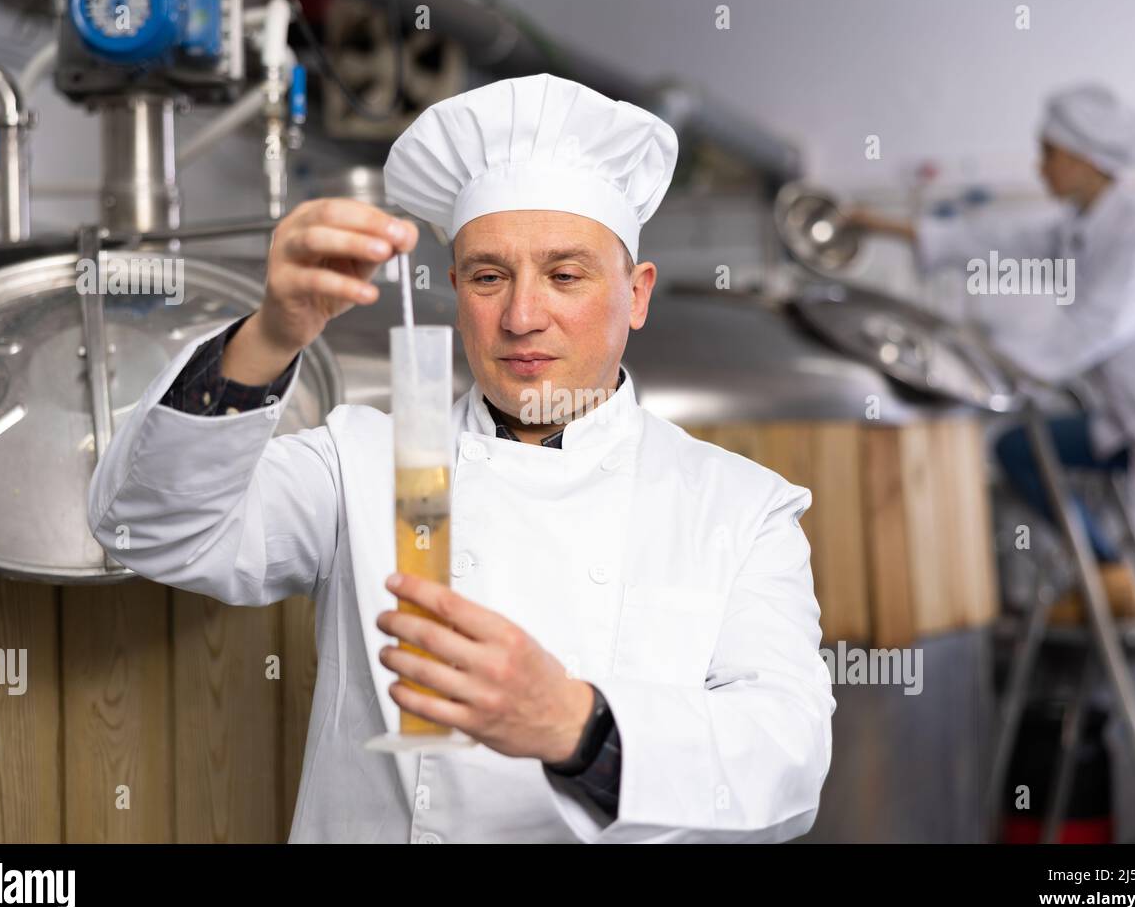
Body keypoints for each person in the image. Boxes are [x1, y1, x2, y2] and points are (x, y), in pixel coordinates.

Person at [87, 72, 835, 842]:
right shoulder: (365, 463)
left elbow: (787, 759)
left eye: (564, 275)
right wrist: (272, 336)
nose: (520, 316)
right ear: (454, 289)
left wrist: (574, 725)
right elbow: (149, 529)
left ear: (637, 294)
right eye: (488, 276)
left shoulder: (739, 508)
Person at [850, 84, 1135, 823]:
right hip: (1132, 426)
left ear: (1086, 159)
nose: (1040, 162)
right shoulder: (1084, 225)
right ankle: (1112, 574)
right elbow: (998, 243)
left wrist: (977, 362)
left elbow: (1084, 334)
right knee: (1021, 447)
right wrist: (883, 227)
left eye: (1049, 152)